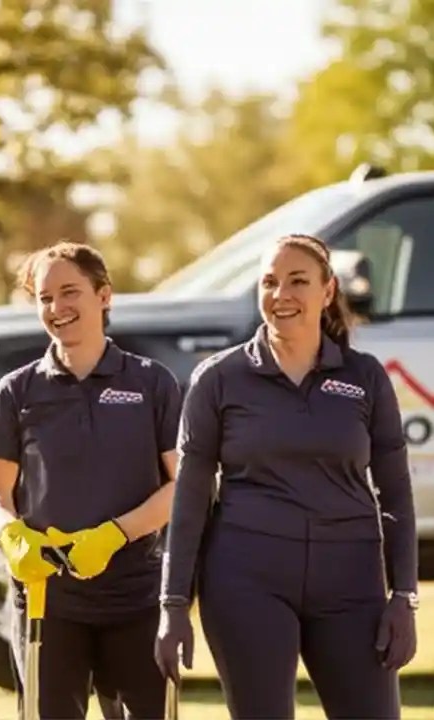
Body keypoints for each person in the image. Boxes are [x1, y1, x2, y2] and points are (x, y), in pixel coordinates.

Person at [154, 233, 419, 719]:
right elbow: (191, 495)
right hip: (246, 578)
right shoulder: (218, 378)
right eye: (270, 283)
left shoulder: (366, 377)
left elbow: (395, 492)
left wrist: (404, 595)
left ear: (328, 290)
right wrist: (173, 605)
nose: (281, 295)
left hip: (350, 579)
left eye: (298, 281)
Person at [0, 241, 183, 719]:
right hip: (48, 603)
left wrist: (115, 535)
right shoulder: (16, 391)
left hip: (136, 597)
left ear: (104, 295)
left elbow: (184, 486)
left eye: (69, 292)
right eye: (44, 298)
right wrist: (11, 535)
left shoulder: (152, 384)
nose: (56, 308)